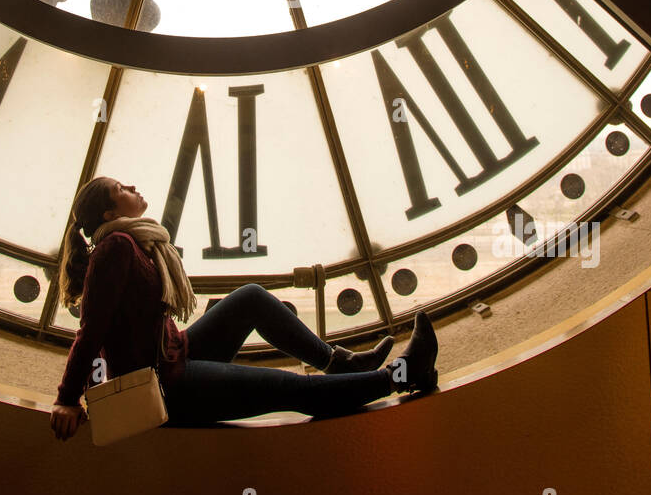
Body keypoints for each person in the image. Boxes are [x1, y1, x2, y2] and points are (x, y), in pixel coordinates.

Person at [50, 175, 439, 440]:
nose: (132, 187)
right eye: (121, 187)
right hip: (165, 386)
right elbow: (92, 330)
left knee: (251, 298)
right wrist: (67, 398)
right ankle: (403, 374)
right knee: (291, 389)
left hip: (173, 357)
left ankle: (341, 364)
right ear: (109, 213)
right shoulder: (116, 248)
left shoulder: (136, 243)